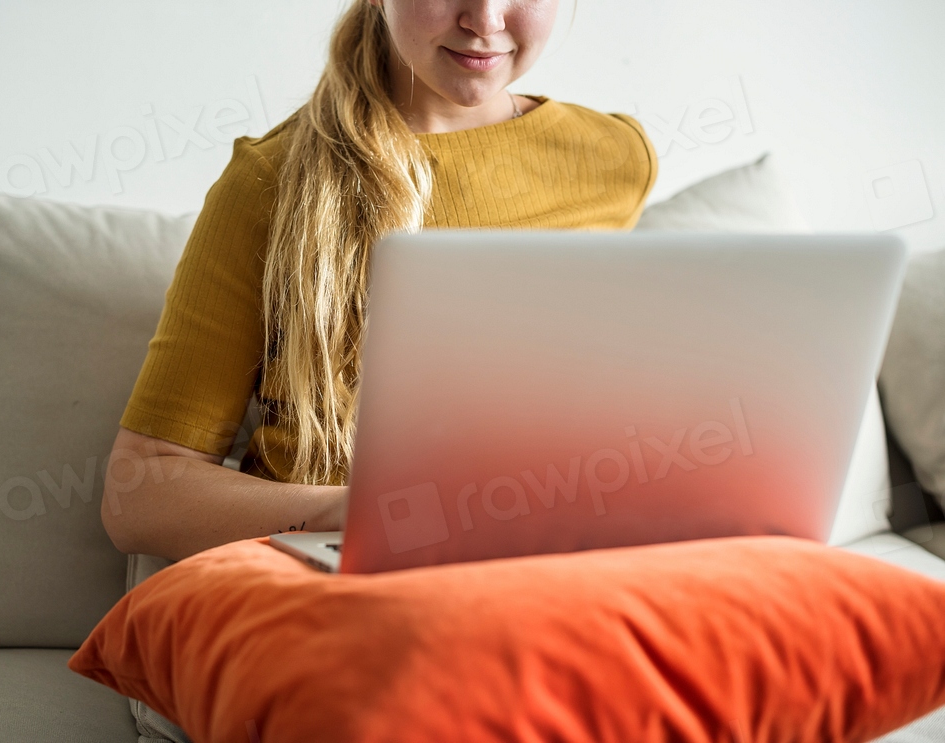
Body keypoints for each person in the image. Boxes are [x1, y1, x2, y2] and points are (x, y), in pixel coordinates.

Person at [101, 0, 658, 562]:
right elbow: (142, 494)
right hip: (343, 568)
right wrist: (361, 513)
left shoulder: (616, 158)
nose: (486, 21)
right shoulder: (270, 180)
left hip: (551, 554)